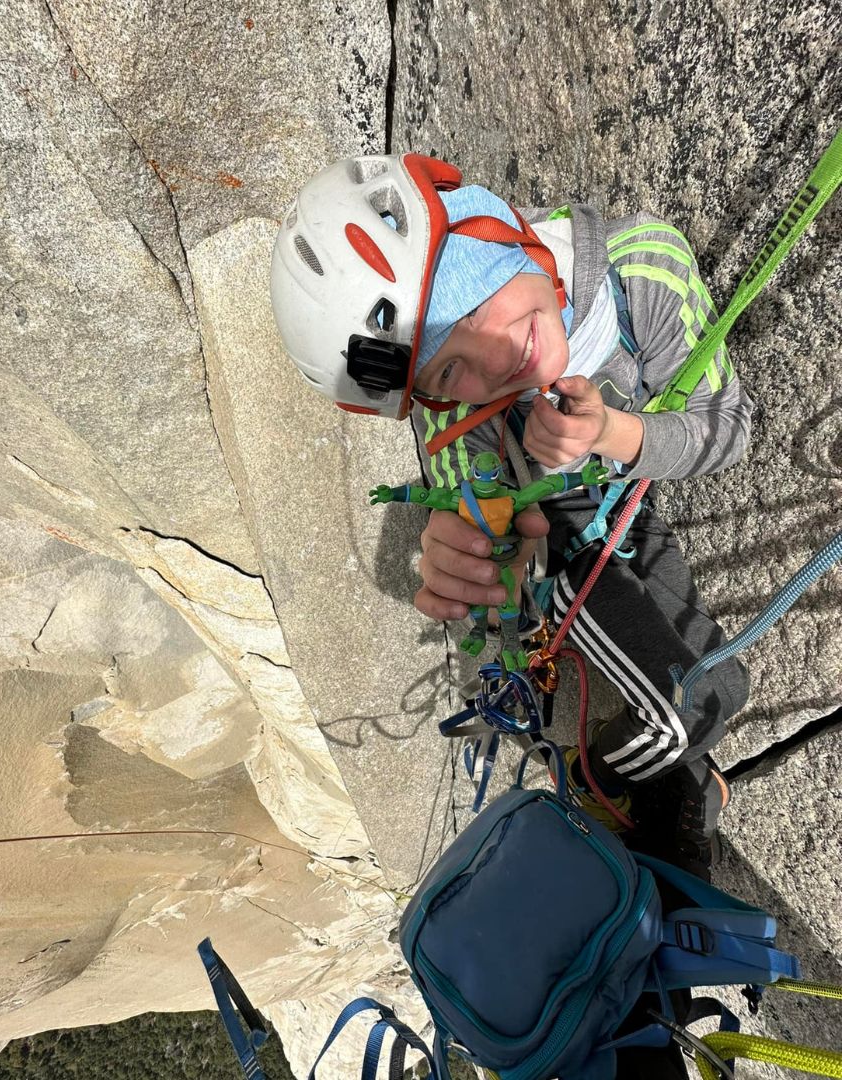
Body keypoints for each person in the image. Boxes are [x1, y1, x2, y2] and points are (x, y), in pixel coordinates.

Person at [268, 154, 752, 879]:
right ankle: (625, 798)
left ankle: (638, 797)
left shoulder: (644, 268)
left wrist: (615, 437)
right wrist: (474, 556)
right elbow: (488, 540)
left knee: (721, 688)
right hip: (566, 538)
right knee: (690, 707)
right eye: (447, 371)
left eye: (468, 298)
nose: (492, 362)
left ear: (494, 224)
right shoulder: (472, 421)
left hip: (625, 508)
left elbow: (730, 427)